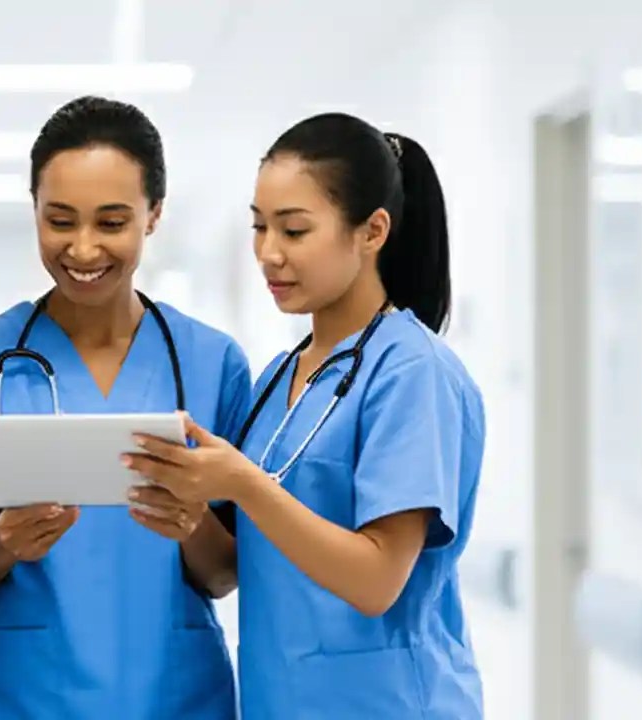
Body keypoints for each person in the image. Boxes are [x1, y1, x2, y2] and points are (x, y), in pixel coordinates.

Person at [125, 113, 485, 719]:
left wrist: (242, 481)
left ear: (372, 232)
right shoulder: (278, 381)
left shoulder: (412, 371)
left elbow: (376, 581)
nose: (269, 254)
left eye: (294, 231)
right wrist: (184, 507)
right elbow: (237, 566)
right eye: (260, 228)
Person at [0, 95, 250, 719]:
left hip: (175, 697)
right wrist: (6, 542)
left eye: (112, 221)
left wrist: (193, 523)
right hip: (26, 699)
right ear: (35, 212)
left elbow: (225, 574)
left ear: (153, 215)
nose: (83, 248)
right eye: (60, 219)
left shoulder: (213, 363)